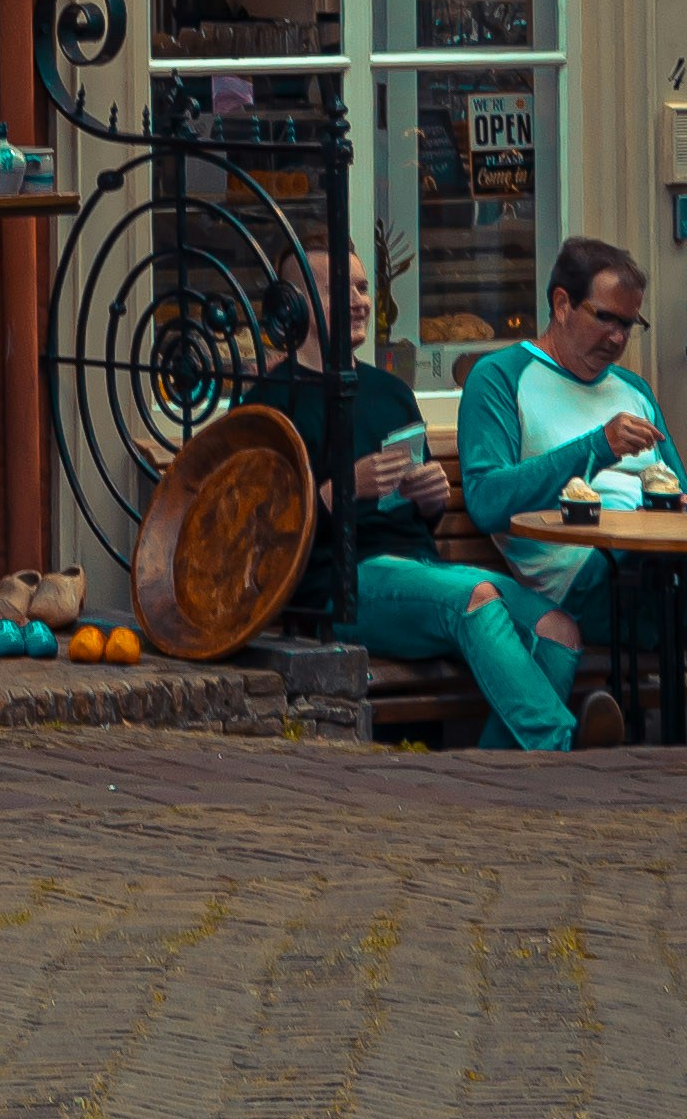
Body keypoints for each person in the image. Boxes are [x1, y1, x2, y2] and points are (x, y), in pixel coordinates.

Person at [253, 245, 610, 752]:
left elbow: (417, 515)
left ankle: (494, 774)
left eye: (361, 287)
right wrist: (341, 489)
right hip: (339, 585)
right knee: (476, 599)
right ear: (294, 302)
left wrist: (430, 497)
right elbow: (259, 529)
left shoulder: (389, 392)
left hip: (417, 568)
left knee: (558, 629)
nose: (358, 301)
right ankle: (557, 743)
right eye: (340, 289)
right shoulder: (271, 403)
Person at [455, 229, 687, 738]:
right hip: (587, 583)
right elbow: (487, 500)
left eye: (630, 324)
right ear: (562, 304)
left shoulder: (634, 390)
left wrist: (672, 503)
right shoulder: (501, 377)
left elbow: (685, 503)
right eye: (606, 318)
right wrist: (596, 448)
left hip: (662, 573)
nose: (618, 338)